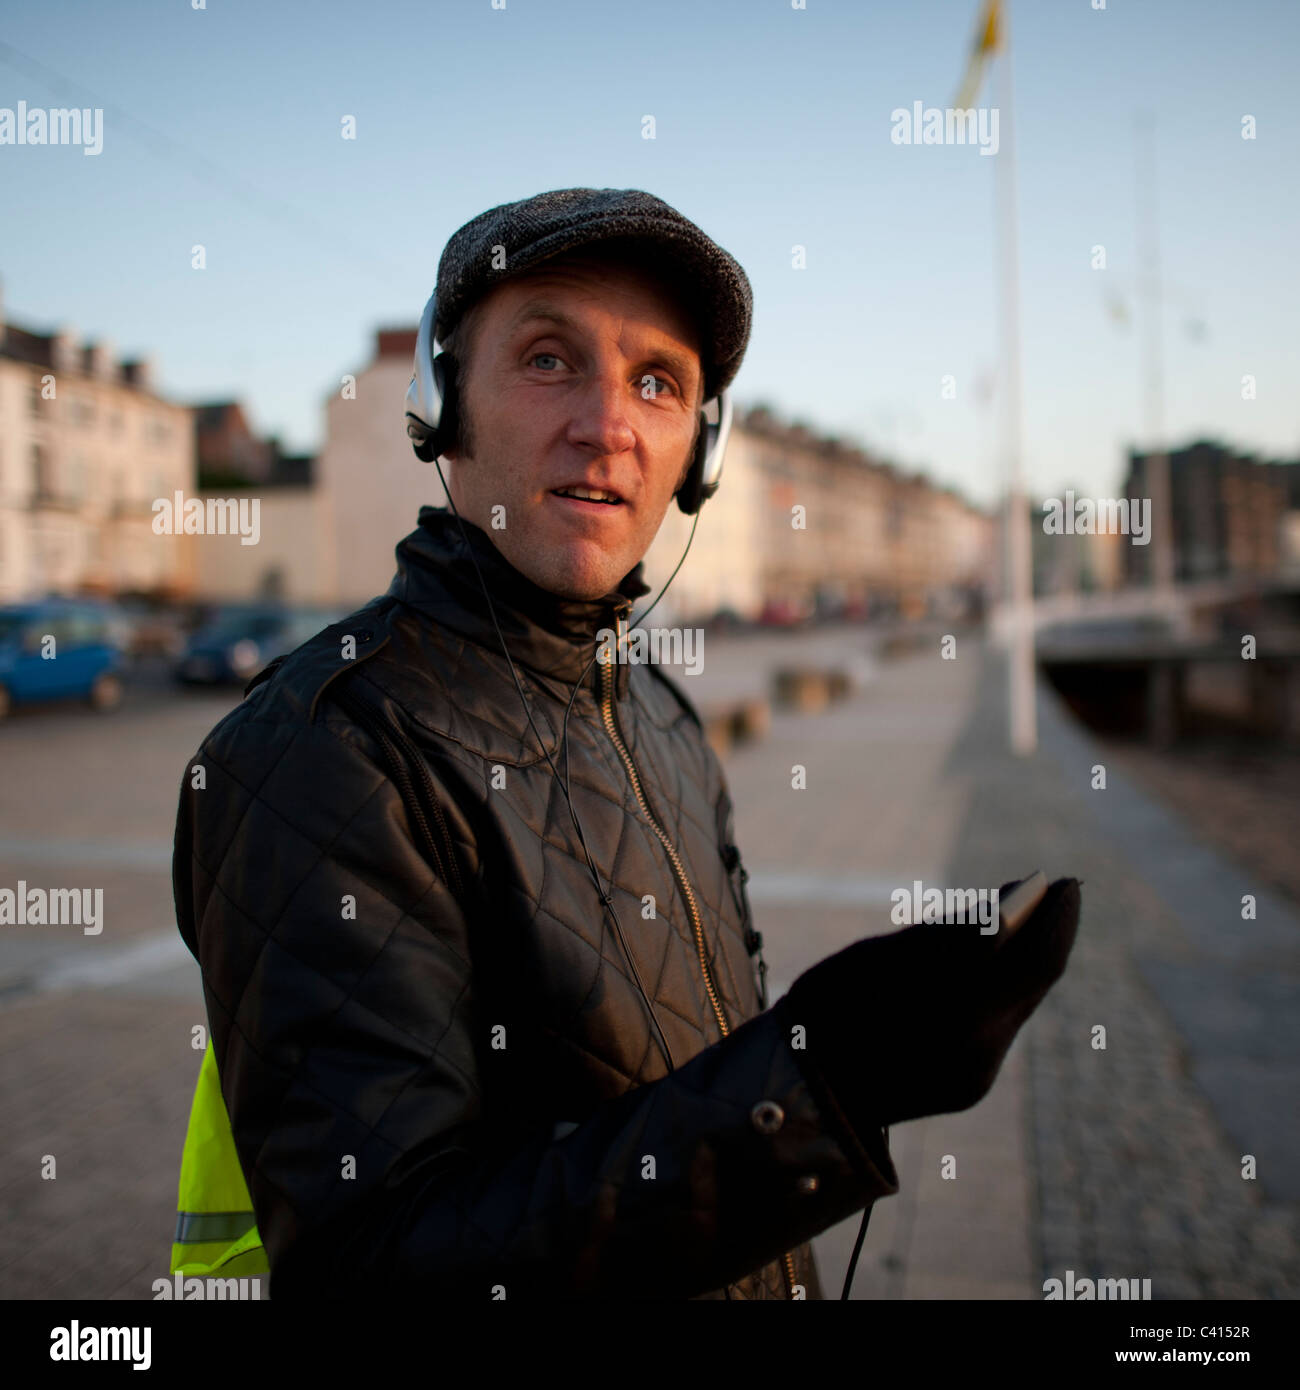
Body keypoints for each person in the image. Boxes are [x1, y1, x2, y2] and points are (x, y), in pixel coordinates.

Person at [171, 186, 1080, 1301]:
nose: (607, 425)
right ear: (439, 405)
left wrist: (832, 1056)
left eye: (658, 382)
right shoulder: (323, 753)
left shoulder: (659, 712)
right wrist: (815, 1090)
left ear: (696, 449)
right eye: (549, 358)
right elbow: (382, 1266)